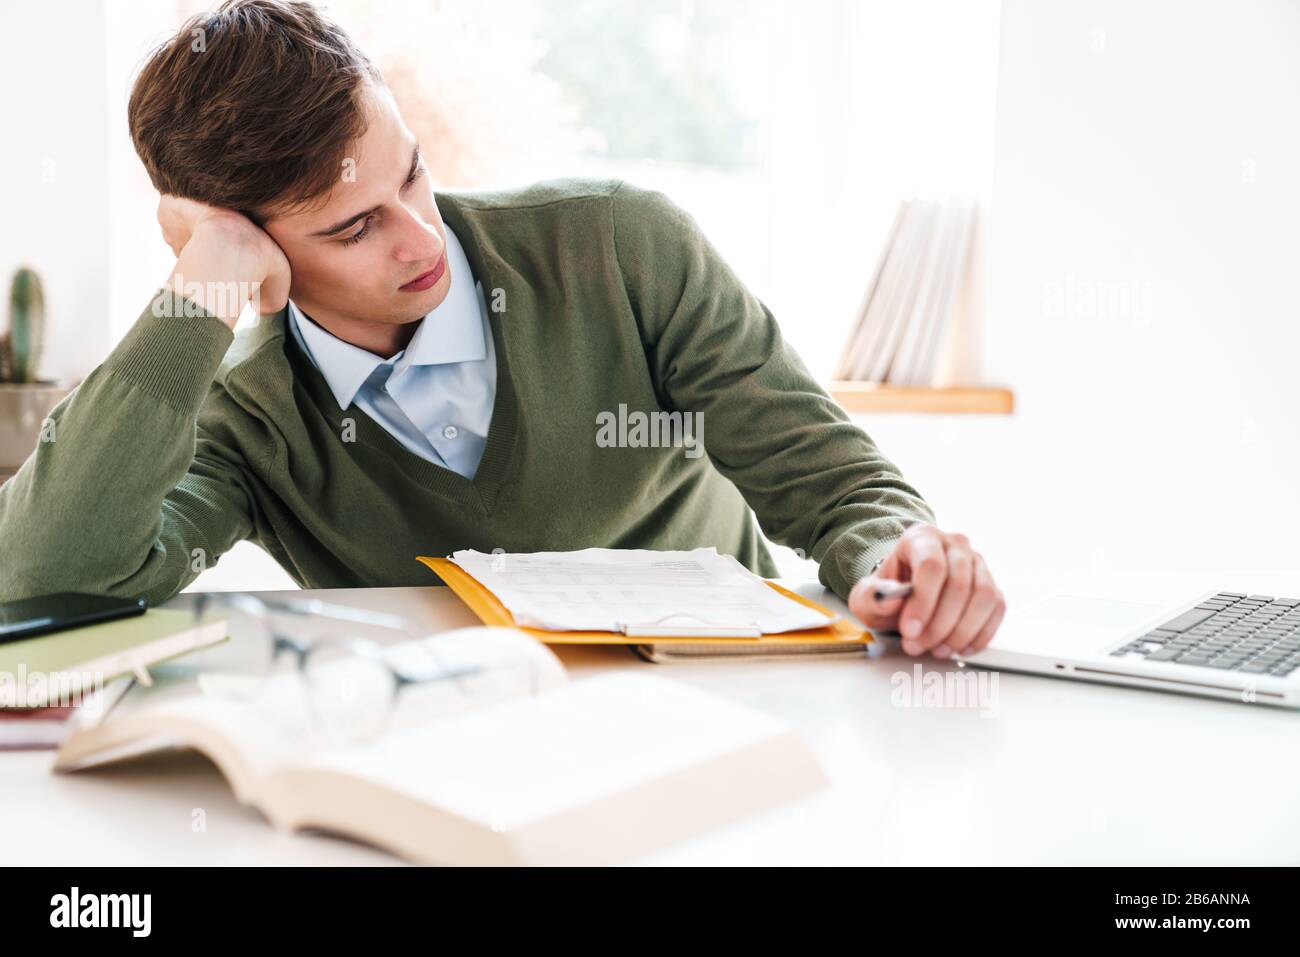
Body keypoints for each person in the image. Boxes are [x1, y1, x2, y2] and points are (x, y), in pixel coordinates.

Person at [0, 0, 1004, 660]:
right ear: (243, 245)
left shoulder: (619, 244)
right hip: (455, 765)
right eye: (352, 228)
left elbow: (837, 487)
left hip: (727, 712)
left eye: (413, 173)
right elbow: (45, 579)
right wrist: (199, 292)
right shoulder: (239, 405)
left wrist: (896, 563)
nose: (418, 237)